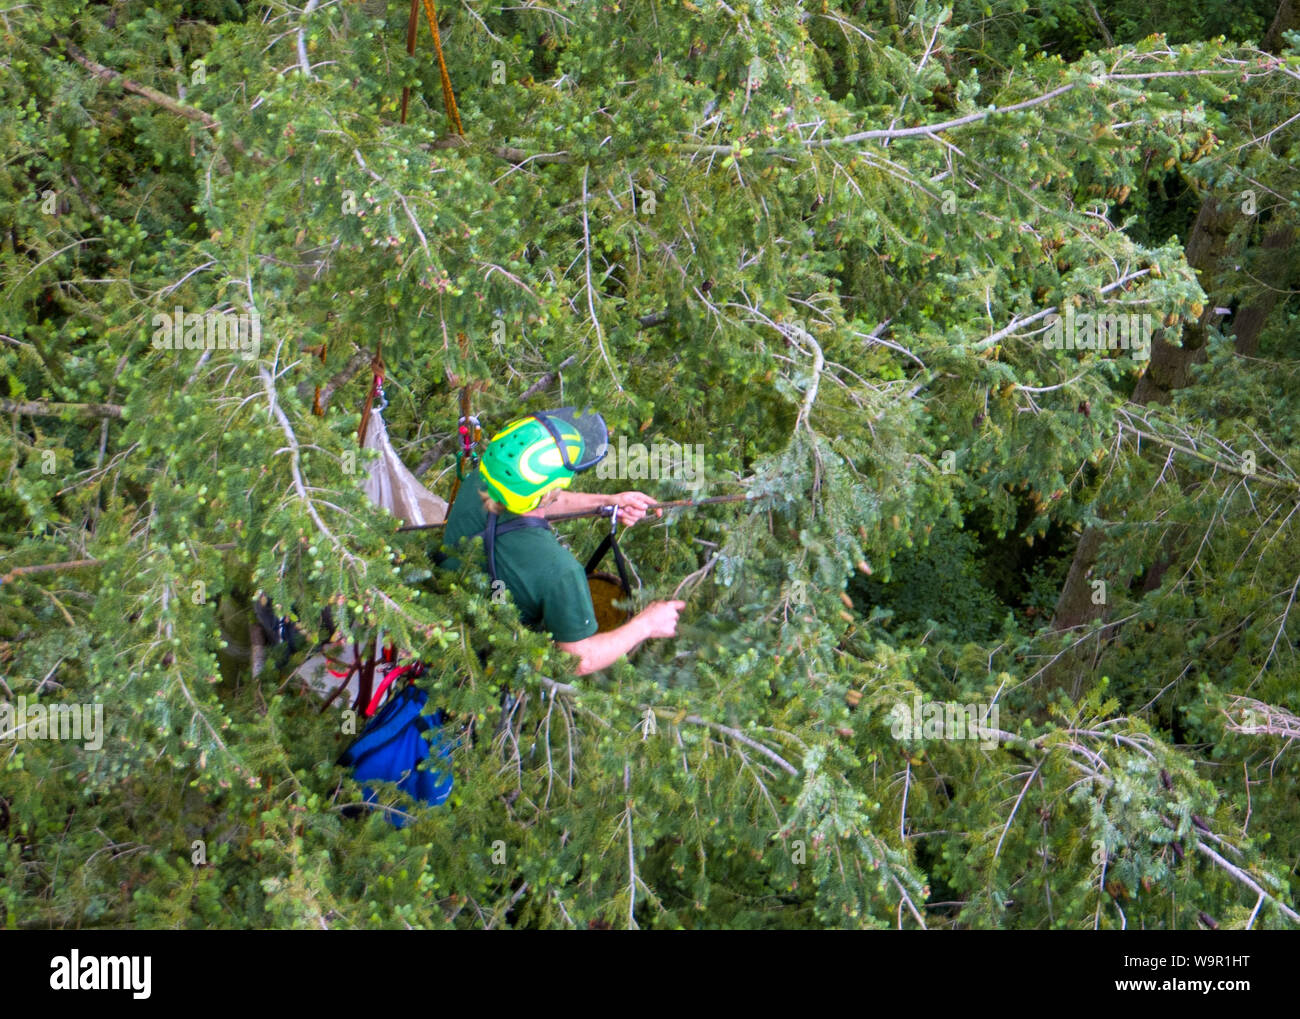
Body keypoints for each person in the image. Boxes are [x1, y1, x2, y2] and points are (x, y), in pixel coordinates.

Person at [438, 407, 686, 675]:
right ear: (546, 494)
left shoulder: (478, 482)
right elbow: (579, 660)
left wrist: (608, 502)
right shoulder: (561, 572)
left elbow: (536, 502)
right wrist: (646, 624)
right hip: (491, 666)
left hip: (447, 611)